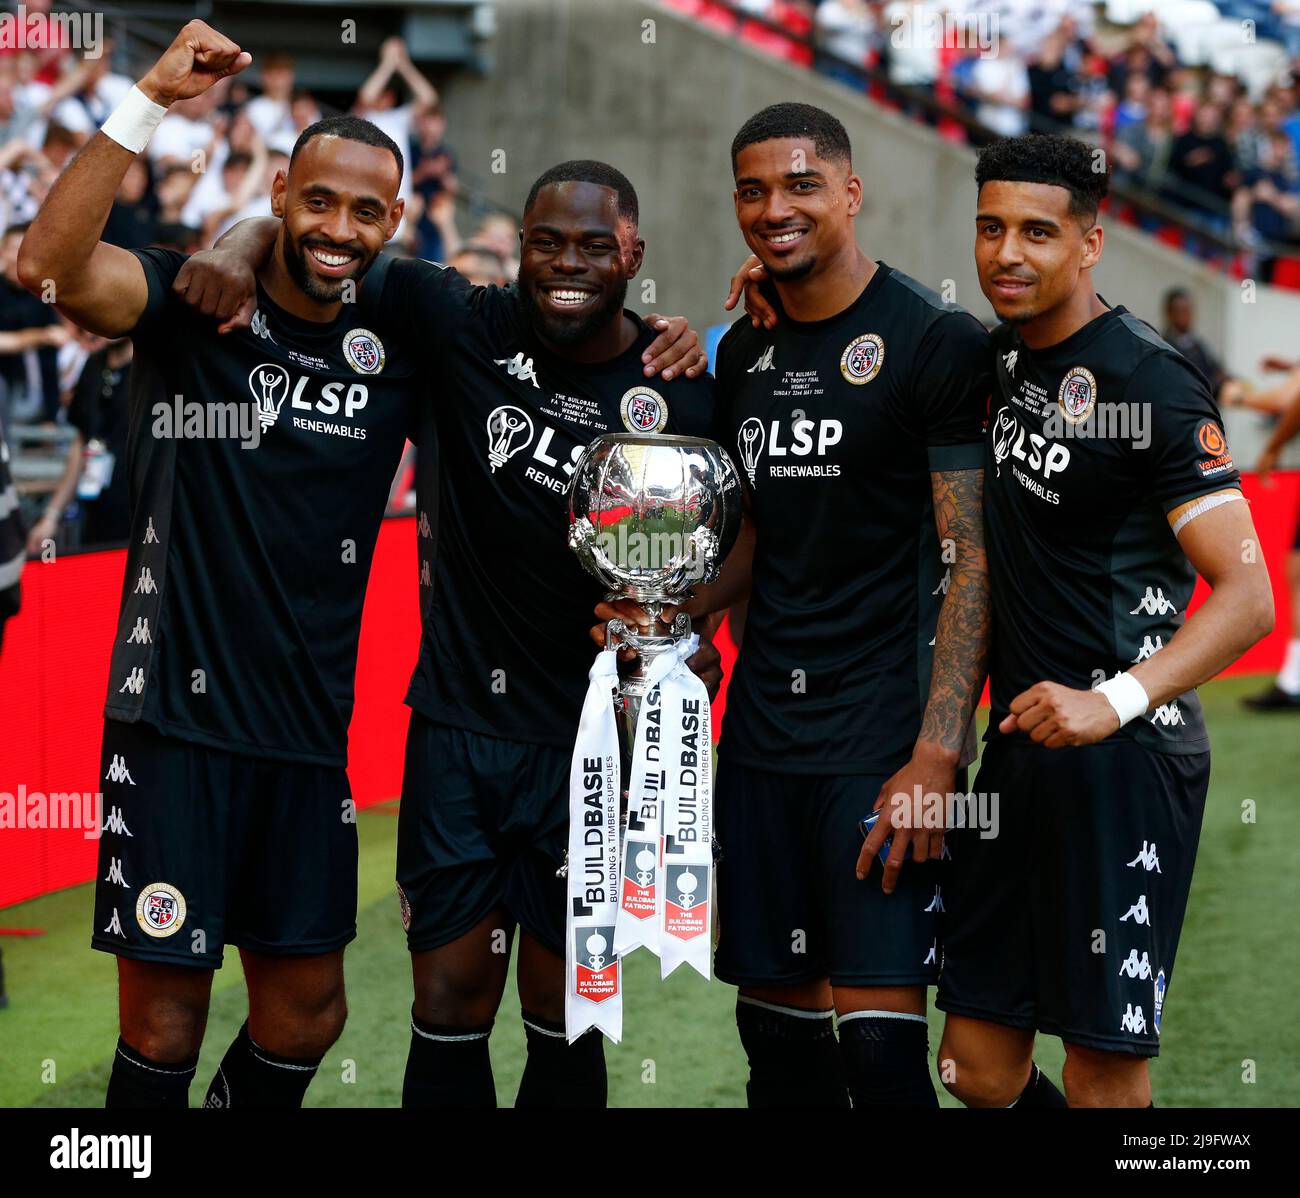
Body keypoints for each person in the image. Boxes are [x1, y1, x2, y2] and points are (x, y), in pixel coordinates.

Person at [194, 159, 717, 1109]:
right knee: (449, 995)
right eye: (547, 241)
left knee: (566, 1008)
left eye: (596, 246)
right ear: (519, 245)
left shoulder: (676, 385)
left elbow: (734, 539)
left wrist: (685, 620)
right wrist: (233, 241)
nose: (569, 263)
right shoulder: (456, 321)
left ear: (634, 253)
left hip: (594, 738)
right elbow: (323, 238)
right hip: (457, 730)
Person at [19, 21, 425, 1110]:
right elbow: (43, 269)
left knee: (307, 1012)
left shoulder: (397, 339)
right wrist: (148, 100)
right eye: (319, 200)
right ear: (284, 189)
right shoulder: (194, 306)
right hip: (174, 730)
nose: (341, 228)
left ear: (395, 219)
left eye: (368, 210)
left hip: (304, 737)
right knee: (165, 1021)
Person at [630, 101, 995, 1109]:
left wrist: (937, 753)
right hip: (759, 740)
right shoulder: (743, 350)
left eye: (799, 185)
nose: (774, 208)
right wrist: (673, 617)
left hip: (880, 739)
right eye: (752, 189)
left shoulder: (933, 339)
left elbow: (970, 560)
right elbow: (754, 536)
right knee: (777, 1048)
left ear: (849, 191)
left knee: (881, 1059)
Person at [937, 133, 1273, 1107]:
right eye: (990, 227)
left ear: (1090, 243)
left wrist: (1112, 701)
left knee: (1103, 1075)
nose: (1007, 252)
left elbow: (1249, 597)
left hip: (1125, 760)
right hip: (1021, 751)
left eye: (1037, 232)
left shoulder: (1150, 382)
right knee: (974, 1065)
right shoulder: (997, 354)